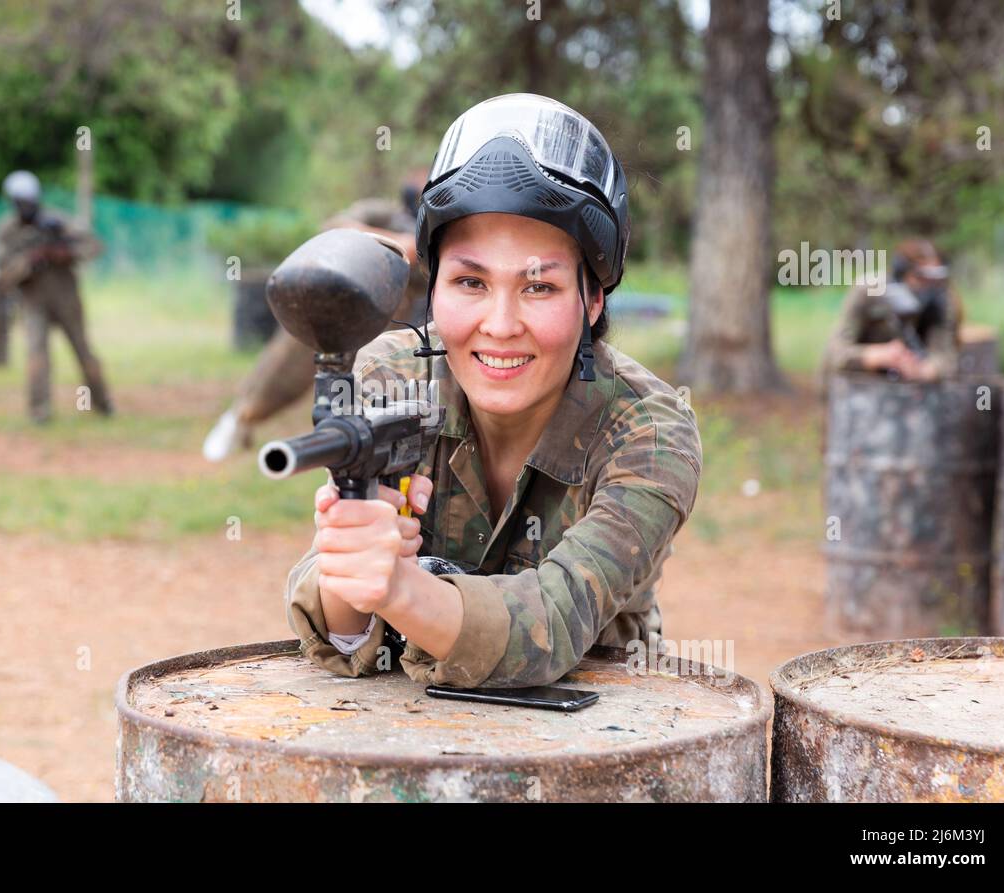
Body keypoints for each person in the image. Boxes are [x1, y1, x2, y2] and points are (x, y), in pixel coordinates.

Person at [283, 94, 702, 689]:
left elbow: (557, 621)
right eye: (470, 281)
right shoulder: (394, 379)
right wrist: (354, 567)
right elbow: (340, 632)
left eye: (539, 287)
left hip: (608, 729)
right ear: (435, 290)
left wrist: (402, 588)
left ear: (593, 298)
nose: (500, 325)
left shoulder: (650, 432)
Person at [202, 169, 431, 462]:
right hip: (346, 306)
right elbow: (335, 229)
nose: (417, 180)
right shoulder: (386, 214)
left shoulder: (441, 225)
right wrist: (393, 240)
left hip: (397, 330)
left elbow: (428, 259)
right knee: (287, 367)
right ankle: (240, 417)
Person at [0, 170, 113, 424]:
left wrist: (65, 253)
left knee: (83, 351)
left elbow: (94, 246)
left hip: (67, 300)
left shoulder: (58, 222)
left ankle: (103, 403)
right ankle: (40, 412)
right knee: (37, 355)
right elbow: (3, 274)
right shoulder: (7, 231)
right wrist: (30, 262)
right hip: (34, 301)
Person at [819, 238, 962, 391]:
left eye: (935, 279)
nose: (928, 286)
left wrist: (922, 370)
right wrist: (878, 356)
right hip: (857, 387)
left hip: (913, 394)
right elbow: (836, 353)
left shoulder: (942, 302)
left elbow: (945, 356)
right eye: (921, 278)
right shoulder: (869, 292)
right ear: (901, 273)